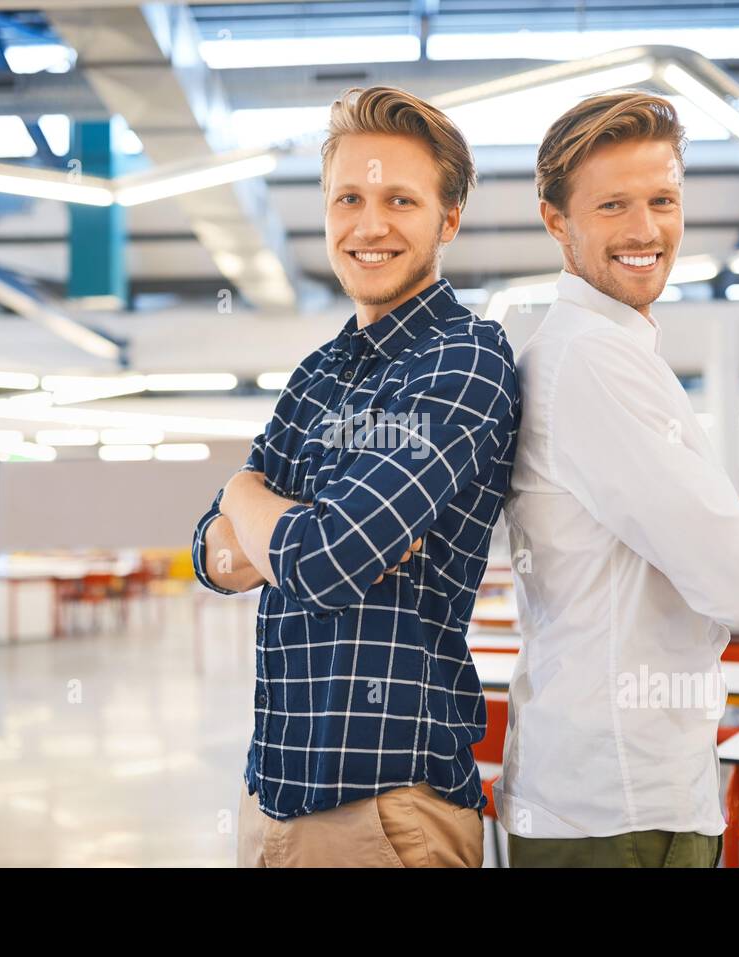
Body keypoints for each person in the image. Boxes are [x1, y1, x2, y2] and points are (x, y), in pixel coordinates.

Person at [190, 85, 520, 868]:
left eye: (400, 199)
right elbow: (211, 555)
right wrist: (272, 528)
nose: (369, 224)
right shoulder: (318, 370)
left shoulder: (464, 358)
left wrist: (247, 497)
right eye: (350, 197)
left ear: (449, 219)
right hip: (270, 791)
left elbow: (323, 560)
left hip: (384, 813)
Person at [495, 91, 739, 868]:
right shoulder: (591, 362)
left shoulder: (611, 353)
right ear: (556, 222)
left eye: (663, 200)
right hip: (615, 809)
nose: (645, 230)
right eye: (613, 205)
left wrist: (731, 518)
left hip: (619, 793)